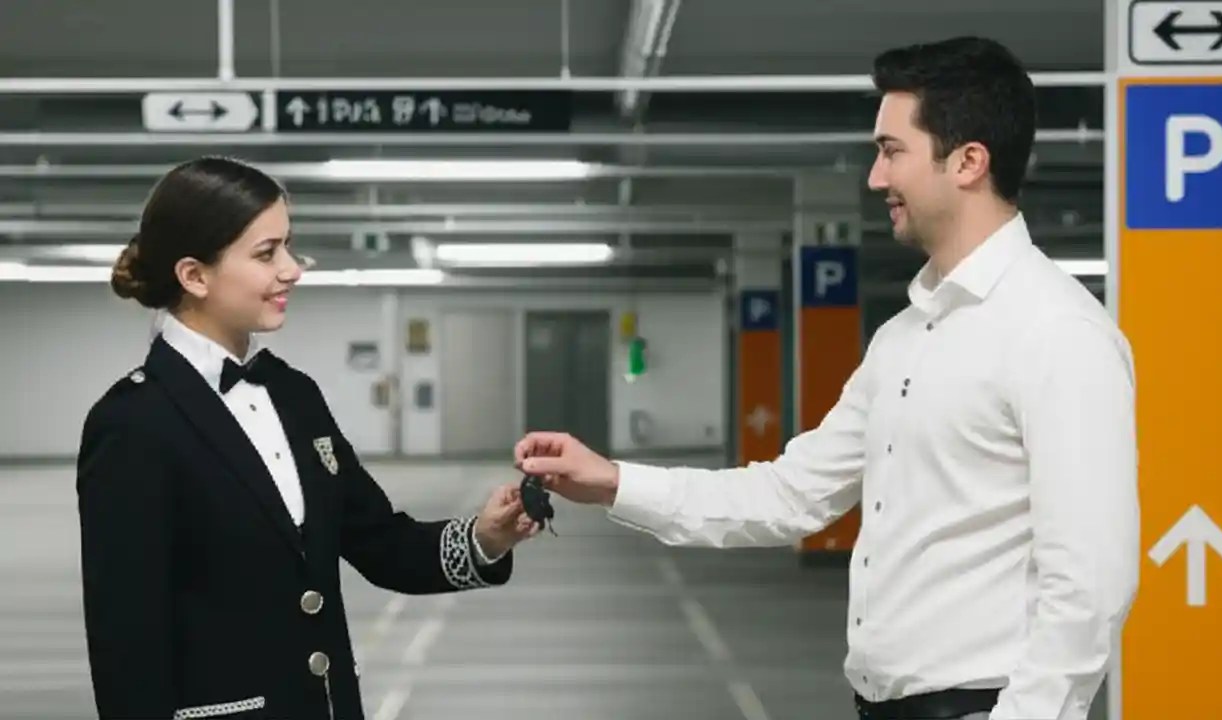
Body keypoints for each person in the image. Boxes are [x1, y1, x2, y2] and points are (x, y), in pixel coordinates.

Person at [515, 36, 1139, 720]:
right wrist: (612, 481)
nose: (875, 178)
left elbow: (1090, 577)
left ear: (967, 162)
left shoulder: (1056, 332)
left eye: (891, 150)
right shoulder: (903, 340)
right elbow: (791, 495)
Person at [77, 156, 540, 720]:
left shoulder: (294, 395)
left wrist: (484, 538)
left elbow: (380, 543)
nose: (292, 269)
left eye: (288, 247)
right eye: (266, 253)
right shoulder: (132, 423)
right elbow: (127, 641)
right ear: (194, 275)